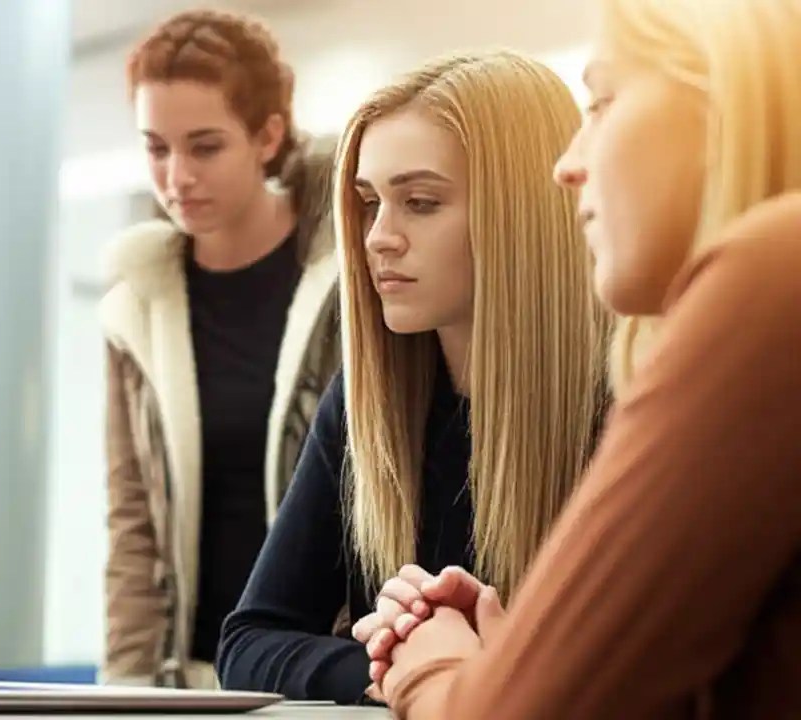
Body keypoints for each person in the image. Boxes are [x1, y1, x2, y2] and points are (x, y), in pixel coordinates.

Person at [367, 1, 801, 718]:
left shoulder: (773, 275)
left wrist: (427, 659)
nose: (568, 166)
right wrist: (534, 652)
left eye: (601, 102)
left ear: (725, 95)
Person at [216, 49, 611, 704]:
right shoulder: (360, 407)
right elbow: (251, 640)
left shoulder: (627, 405)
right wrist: (394, 662)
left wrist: (469, 664)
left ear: (521, 214)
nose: (378, 237)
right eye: (370, 202)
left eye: (420, 202)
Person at [99, 9, 341, 689]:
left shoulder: (350, 286)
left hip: (321, 670)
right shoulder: (135, 308)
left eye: (204, 147)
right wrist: (123, 693)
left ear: (267, 136)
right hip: (194, 679)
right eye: (156, 148)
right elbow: (132, 531)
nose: (177, 177)